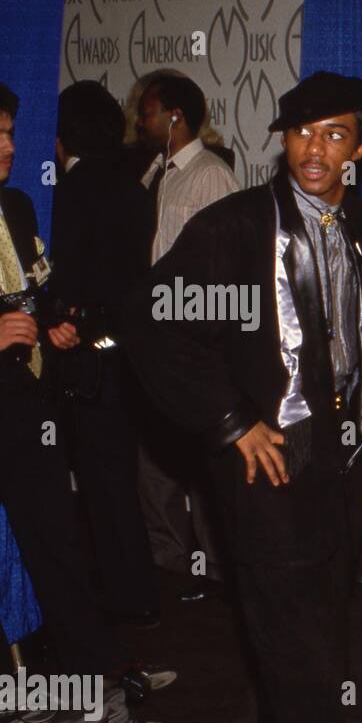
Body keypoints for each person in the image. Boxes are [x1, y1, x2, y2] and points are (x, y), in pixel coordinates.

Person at [122, 72, 362, 723]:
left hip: (339, 479)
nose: (318, 150)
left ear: (357, 149)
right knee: (308, 673)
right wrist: (227, 421)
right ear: (282, 139)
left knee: (305, 668)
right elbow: (152, 322)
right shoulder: (236, 228)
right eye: (305, 133)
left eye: (338, 135)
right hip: (267, 487)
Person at [0, 82, 137, 688]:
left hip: (28, 403)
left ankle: (96, 688)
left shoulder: (19, 207)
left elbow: (39, 285)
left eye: (9, 133)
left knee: (59, 541)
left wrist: (54, 322)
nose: (9, 146)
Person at [48, 80, 160, 627]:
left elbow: (65, 279)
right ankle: (137, 594)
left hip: (82, 356)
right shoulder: (133, 190)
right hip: (127, 357)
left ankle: (119, 598)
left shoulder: (67, 194)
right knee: (118, 478)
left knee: (94, 484)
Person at [133, 72, 239, 595]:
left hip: (196, 338)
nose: (141, 121)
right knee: (158, 458)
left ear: (175, 116)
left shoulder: (211, 175)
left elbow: (227, 265)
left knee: (205, 462)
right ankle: (171, 564)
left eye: (149, 111)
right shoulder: (157, 172)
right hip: (160, 337)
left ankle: (216, 570)